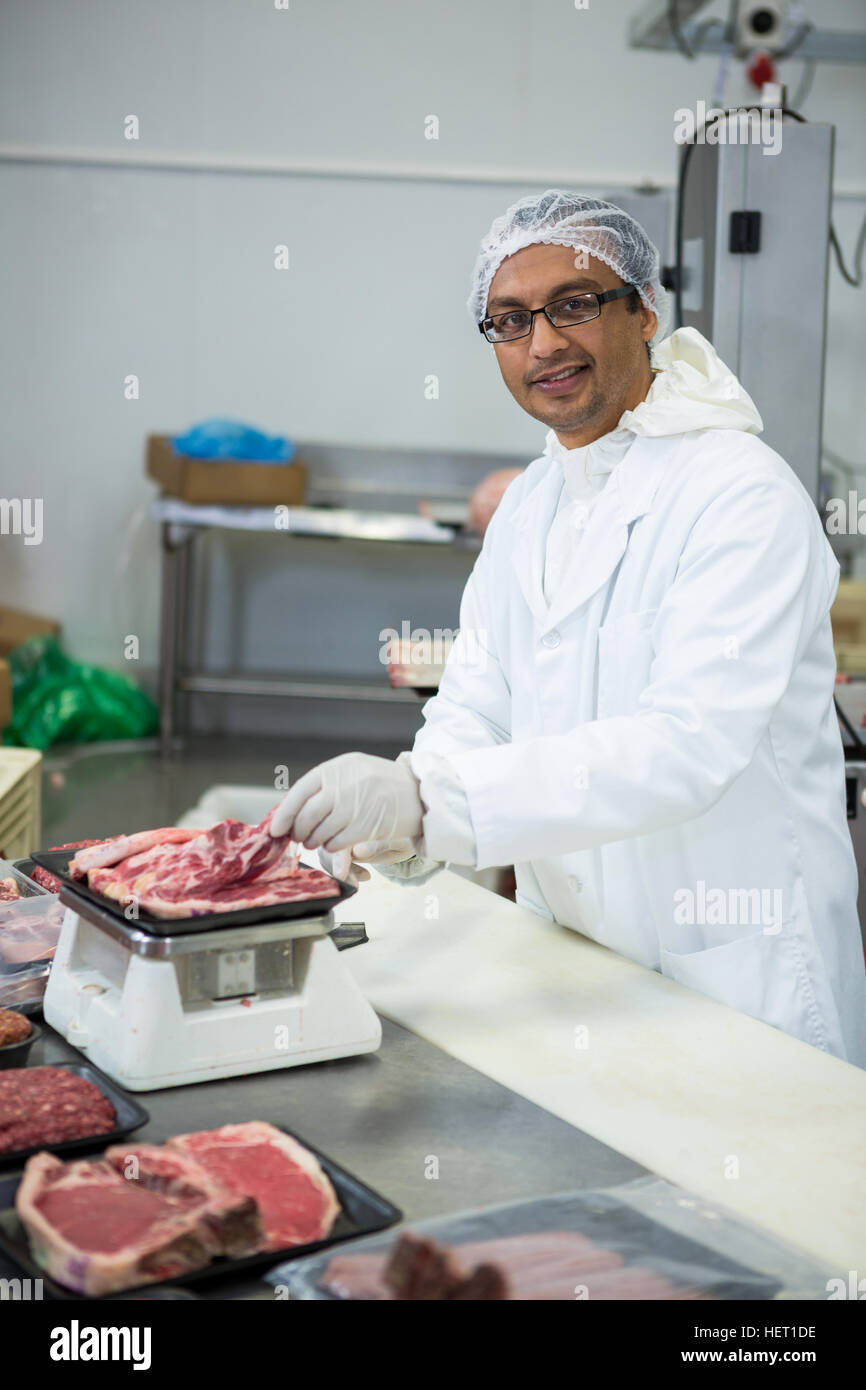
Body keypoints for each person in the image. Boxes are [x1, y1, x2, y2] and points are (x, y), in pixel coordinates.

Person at [272, 191, 866, 1067]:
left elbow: (685, 745)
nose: (544, 343)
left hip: (738, 976)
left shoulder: (742, 494)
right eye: (510, 322)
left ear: (646, 313)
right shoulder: (534, 506)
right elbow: (479, 707)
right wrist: (401, 811)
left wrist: (438, 806)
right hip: (578, 962)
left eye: (575, 305)